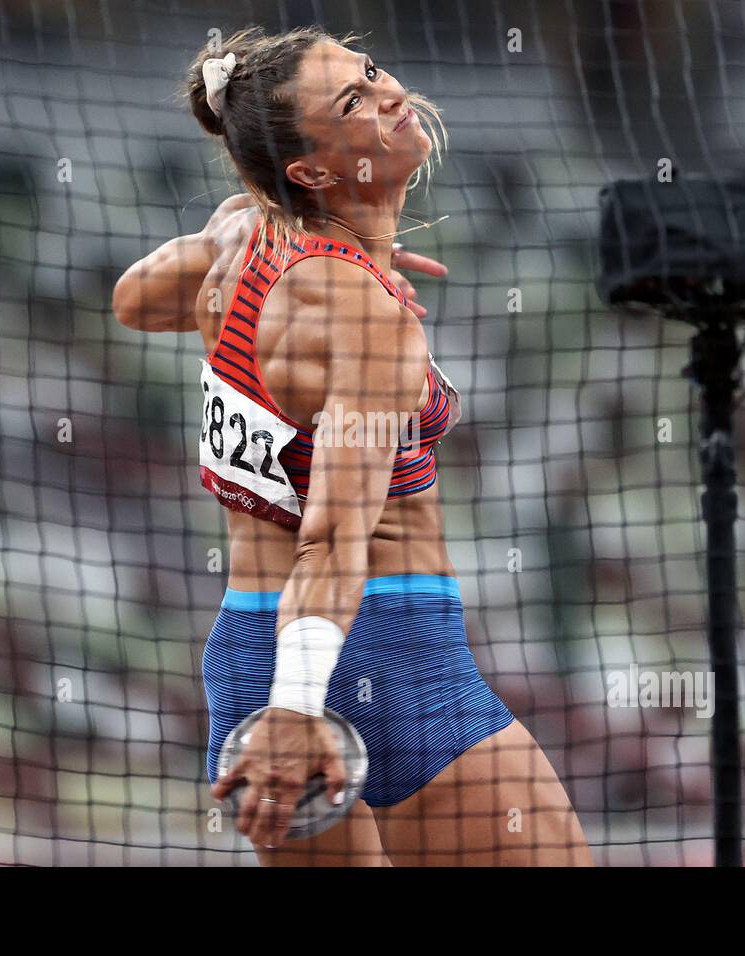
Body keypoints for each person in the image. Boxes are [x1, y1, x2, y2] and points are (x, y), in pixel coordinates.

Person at [113, 25, 591, 866]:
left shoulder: (241, 230)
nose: (392, 94)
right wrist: (299, 712)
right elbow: (332, 540)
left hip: (244, 655)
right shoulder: (362, 317)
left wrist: (334, 247)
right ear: (309, 171)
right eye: (354, 102)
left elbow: (133, 300)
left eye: (370, 72)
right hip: (379, 649)